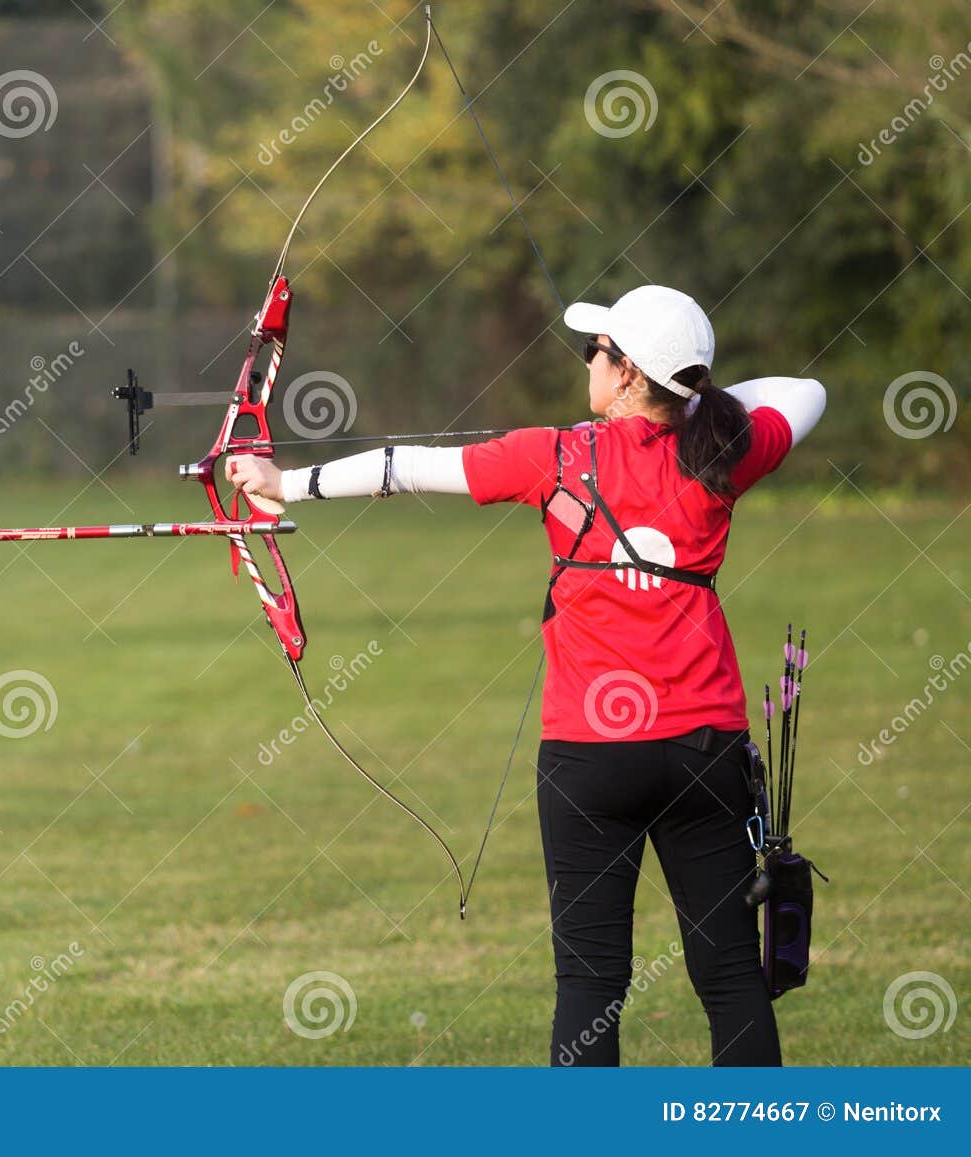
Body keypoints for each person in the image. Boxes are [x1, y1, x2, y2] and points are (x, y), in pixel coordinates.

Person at [226, 285, 826, 1066]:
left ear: (627, 373)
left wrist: (283, 484)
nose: (589, 364)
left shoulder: (556, 455)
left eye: (598, 352)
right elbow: (805, 392)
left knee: (589, 981)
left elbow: (405, 468)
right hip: (704, 746)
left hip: (590, 754)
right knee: (730, 976)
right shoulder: (723, 453)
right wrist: (693, 403)